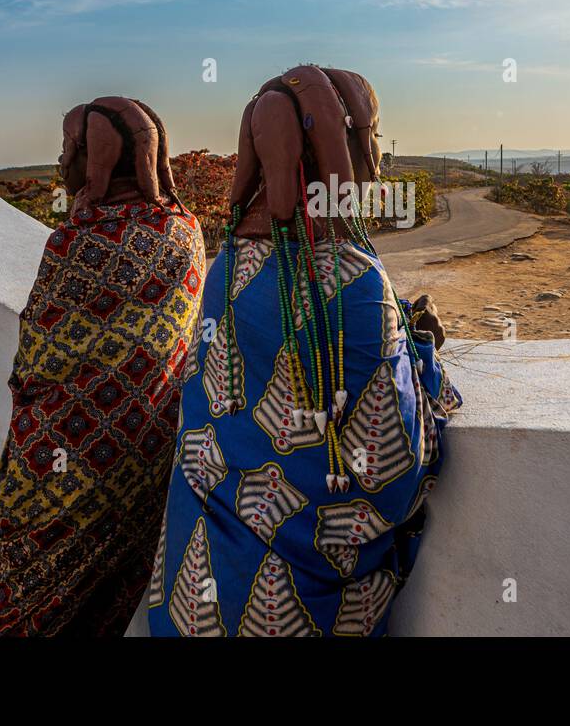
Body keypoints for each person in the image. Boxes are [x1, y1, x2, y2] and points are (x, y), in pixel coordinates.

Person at [148, 65, 460, 637]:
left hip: (193, 600)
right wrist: (423, 356)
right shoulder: (356, 285)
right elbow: (392, 476)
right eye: (372, 137)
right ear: (345, 146)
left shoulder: (226, 267)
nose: (380, 160)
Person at [0, 97, 205, 636]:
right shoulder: (186, 230)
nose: (61, 164)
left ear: (97, 160)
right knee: (101, 609)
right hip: (145, 463)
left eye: (68, 150)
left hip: (60, 476)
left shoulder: (77, 243)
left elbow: (35, 360)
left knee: (21, 612)